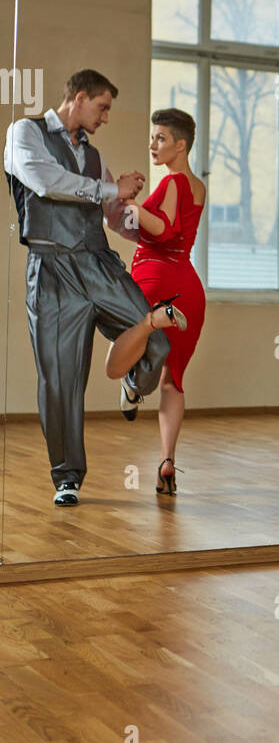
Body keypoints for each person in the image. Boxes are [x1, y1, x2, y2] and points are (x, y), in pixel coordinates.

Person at [3, 69, 171, 506]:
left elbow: (115, 216)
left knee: (155, 340)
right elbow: (45, 181)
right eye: (103, 107)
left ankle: (133, 383)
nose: (106, 118)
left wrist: (160, 236)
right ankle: (67, 477)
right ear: (79, 98)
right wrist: (111, 188)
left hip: (98, 264)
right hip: (53, 270)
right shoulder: (25, 132)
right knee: (60, 380)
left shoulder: (94, 158)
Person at [104, 109, 206, 496]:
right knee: (172, 381)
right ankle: (167, 462)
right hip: (189, 288)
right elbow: (177, 233)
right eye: (152, 137)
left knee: (123, 345)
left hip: (155, 279)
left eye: (160, 138)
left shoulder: (175, 181)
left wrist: (129, 206)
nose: (153, 145)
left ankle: (131, 387)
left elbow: (163, 228)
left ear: (181, 144)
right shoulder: (198, 185)